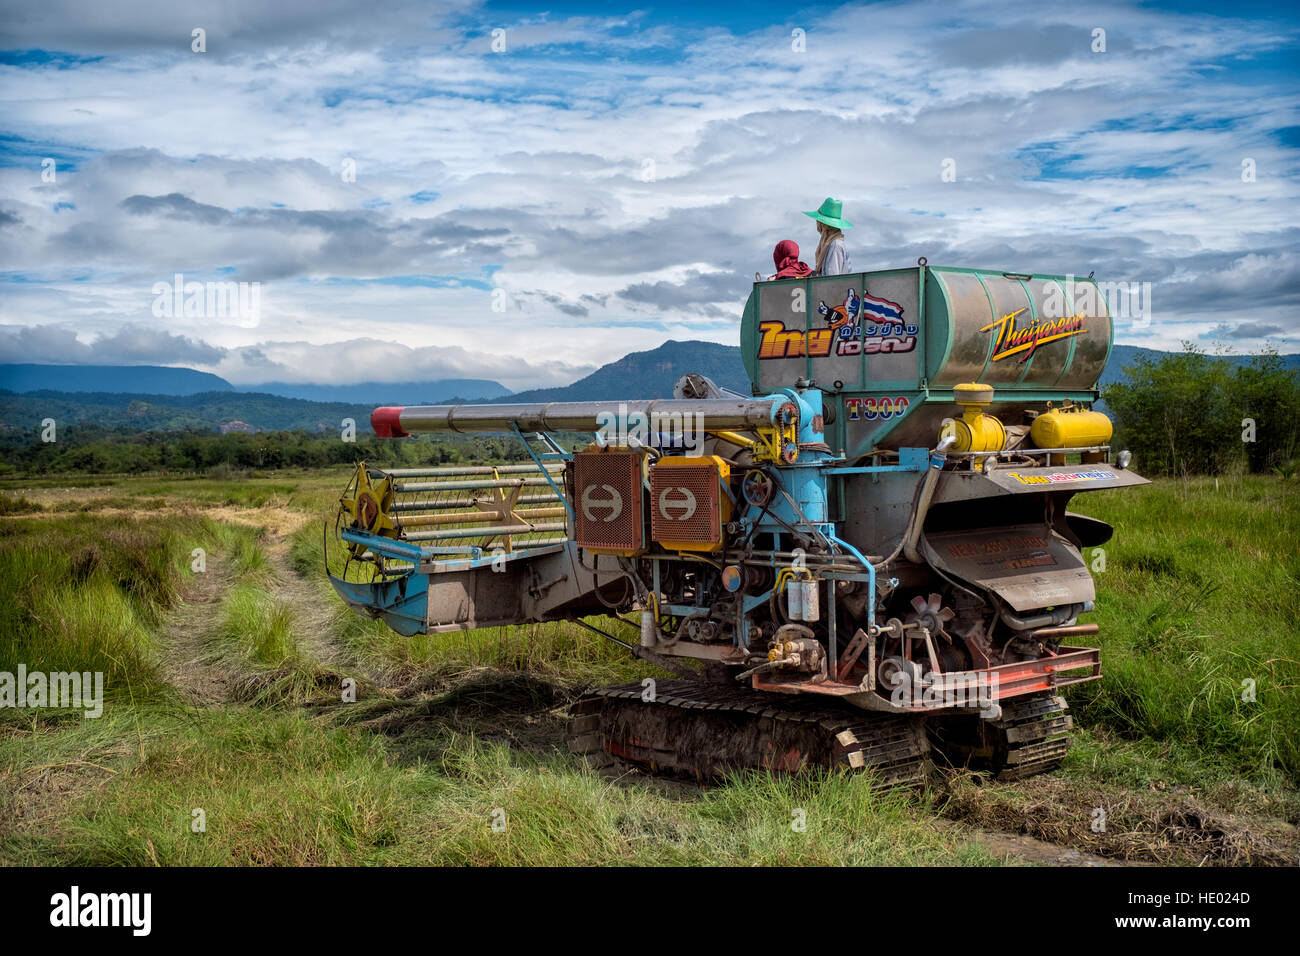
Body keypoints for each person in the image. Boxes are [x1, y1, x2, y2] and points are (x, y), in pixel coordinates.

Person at [803, 197, 853, 276]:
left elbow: (832, 280)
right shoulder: (830, 243)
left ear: (823, 224)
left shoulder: (835, 245)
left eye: (818, 221)